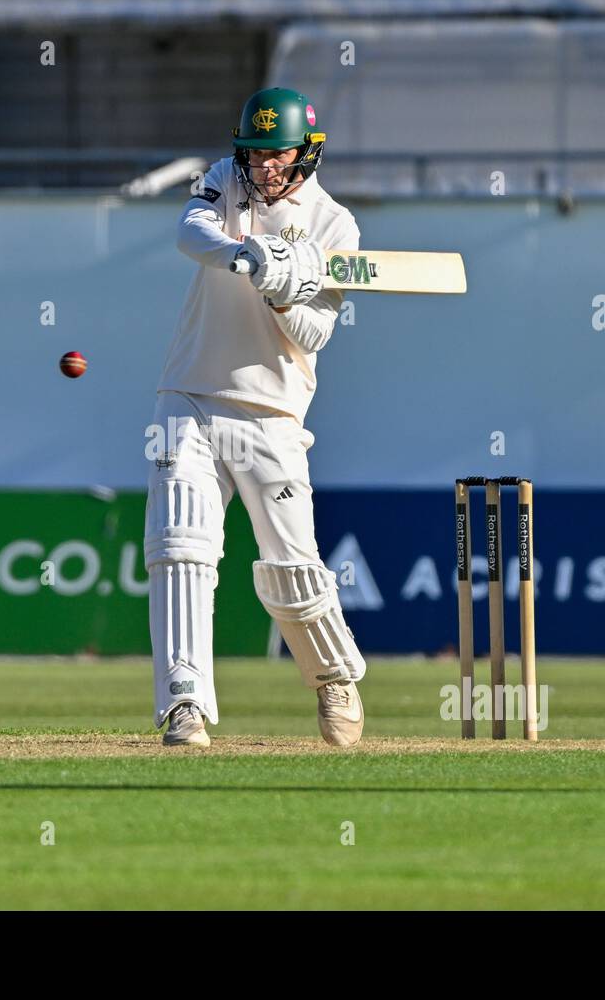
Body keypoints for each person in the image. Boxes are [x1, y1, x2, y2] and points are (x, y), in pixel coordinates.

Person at [145, 87, 366, 748]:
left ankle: (332, 676)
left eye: (278, 156)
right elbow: (192, 232)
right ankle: (184, 703)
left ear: (305, 152)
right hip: (188, 394)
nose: (264, 168)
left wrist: (283, 287)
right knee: (179, 546)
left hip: (273, 412)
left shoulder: (335, 226)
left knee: (292, 565)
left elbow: (316, 332)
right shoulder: (224, 180)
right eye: (255, 155)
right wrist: (248, 256)